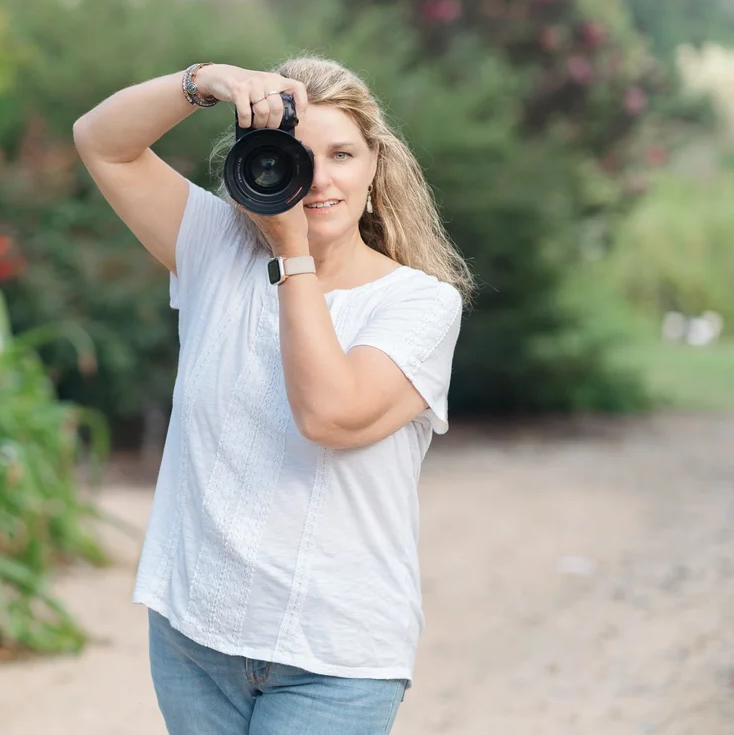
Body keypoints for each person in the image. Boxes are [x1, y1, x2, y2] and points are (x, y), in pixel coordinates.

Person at [72, 57, 473, 735]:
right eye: (295, 155)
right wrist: (206, 81)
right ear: (254, 164)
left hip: (334, 658)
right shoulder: (214, 246)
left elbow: (328, 415)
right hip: (194, 638)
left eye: (341, 153)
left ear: (375, 164)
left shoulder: (420, 305)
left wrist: (293, 257)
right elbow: (100, 140)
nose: (318, 177)